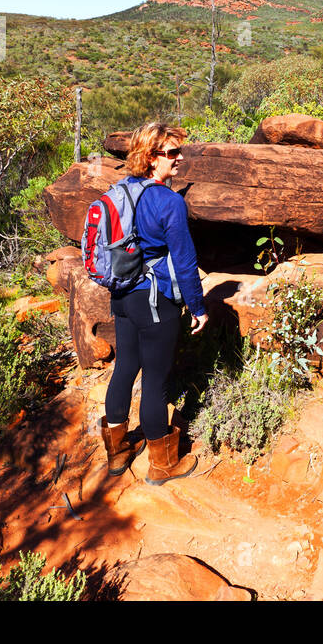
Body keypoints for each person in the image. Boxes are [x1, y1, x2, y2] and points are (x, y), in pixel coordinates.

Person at [99, 121, 209, 484]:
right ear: (151, 158)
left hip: (123, 294)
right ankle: (162, 465)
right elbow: (184, 260)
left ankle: (117, 454)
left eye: (180, 151)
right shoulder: (169, 202)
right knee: (156, 383)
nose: (180, 158)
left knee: (125, 367)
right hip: (154, 299)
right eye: (173, 153)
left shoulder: (121, 191)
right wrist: (197, 307)